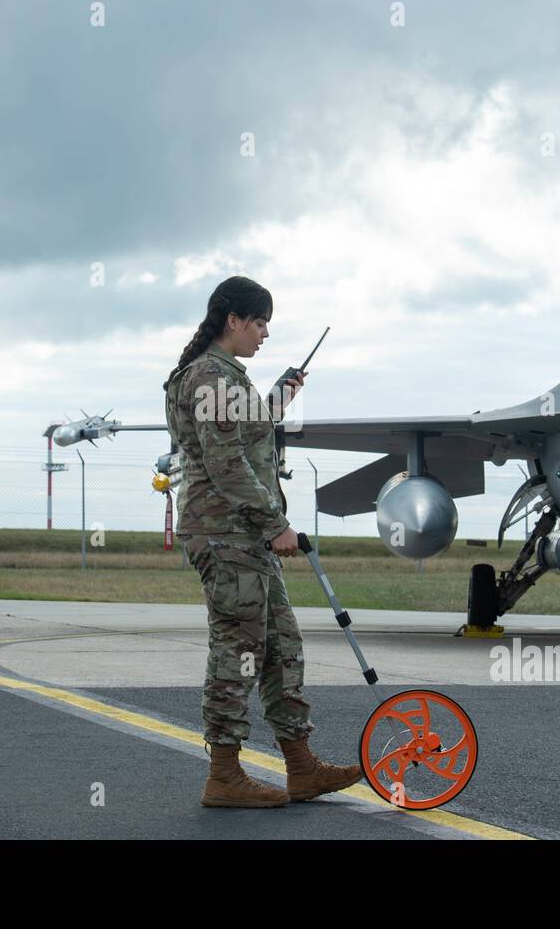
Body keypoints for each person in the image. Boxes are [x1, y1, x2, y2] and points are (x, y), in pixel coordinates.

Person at [163, 275, 363, 808]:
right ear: (233, 320)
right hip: (226, 533)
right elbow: (225, 463)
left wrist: (279, 396)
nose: (266, 334)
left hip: (244, 535)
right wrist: (276, 523)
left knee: (280, 646)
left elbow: (246, 433)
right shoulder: (208, 376)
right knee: (240, 649)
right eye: (260, 322)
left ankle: (301, 766)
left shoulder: (225, 377)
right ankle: (224, 775)